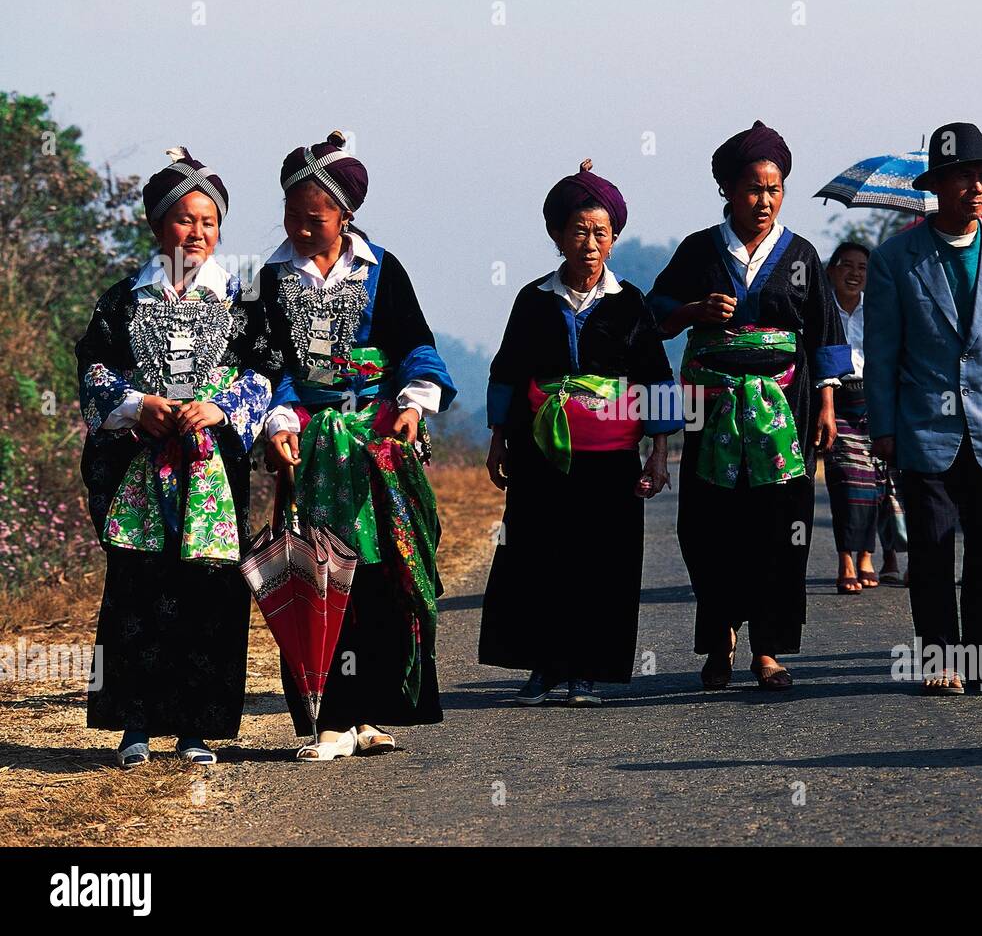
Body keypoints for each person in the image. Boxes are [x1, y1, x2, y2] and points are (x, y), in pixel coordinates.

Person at [260, 131, 457, 759]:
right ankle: (329, 719)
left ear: (346, 216)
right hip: (313, 449)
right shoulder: (270, 277)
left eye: (313, 217)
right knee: (318, 575)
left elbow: (416, 347)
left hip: (376, 446)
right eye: (291, 214)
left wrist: (412, 402)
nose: (300, 226)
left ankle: (371, 711)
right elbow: (267, 367)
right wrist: (280, 420)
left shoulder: (382, 271)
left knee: (378, 574)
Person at [77, 148, 276, 767]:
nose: (198, 233)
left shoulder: (242, 302)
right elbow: (93, 371)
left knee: (210, 592)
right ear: (157, 226)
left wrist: (220, 409)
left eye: (210, 222)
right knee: (136, 590)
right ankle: (134, 727)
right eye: (185, 220)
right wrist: (140, 406)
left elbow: (267, 371)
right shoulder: (121, 300)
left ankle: (197, 729)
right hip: (140, 472)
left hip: (212, 474)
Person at [647, 121, 851, 691]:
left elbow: (826, 334)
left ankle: (768, 648)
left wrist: (828, 406)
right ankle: (719, 642)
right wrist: (693, 310)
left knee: (780, 529)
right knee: (708, 530)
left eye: (775, 188)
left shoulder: (802, 255)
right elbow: (656, 314)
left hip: (787, 412)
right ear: (728, 191)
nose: (764, 200)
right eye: (753, 188)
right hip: (711, 411)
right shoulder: (697, 251)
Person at [479, 160, 681, 706]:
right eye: (579, 231)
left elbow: (655, 377)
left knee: (602, 560)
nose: (590, 243)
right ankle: (543, 667)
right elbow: (507, 370)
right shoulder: (533, 299)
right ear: (557, 236)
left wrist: (658, 452)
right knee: (538, 553)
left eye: (601, 232)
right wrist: (499, 440)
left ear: (614, 240)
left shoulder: (629, 302)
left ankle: (587, 670)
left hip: (610, 457)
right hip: (541, 453)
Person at [864, 122, 982, 695]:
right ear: (938, 186)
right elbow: (881, 353)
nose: (976, 187)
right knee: (931, 551)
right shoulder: (895, 259)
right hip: (925, 430)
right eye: (963, 177)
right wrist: (883, 427)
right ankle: (941, 658)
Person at [821, 241, 904, 593]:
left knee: (877, 482)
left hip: (875, 400)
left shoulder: (879, 311)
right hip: (836, 401)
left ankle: (869, 554)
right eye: (847, 265)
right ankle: (845, 558)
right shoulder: (823, 313)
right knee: (845, 480)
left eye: (863, 267)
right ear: (832, 270)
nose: (855, 273)